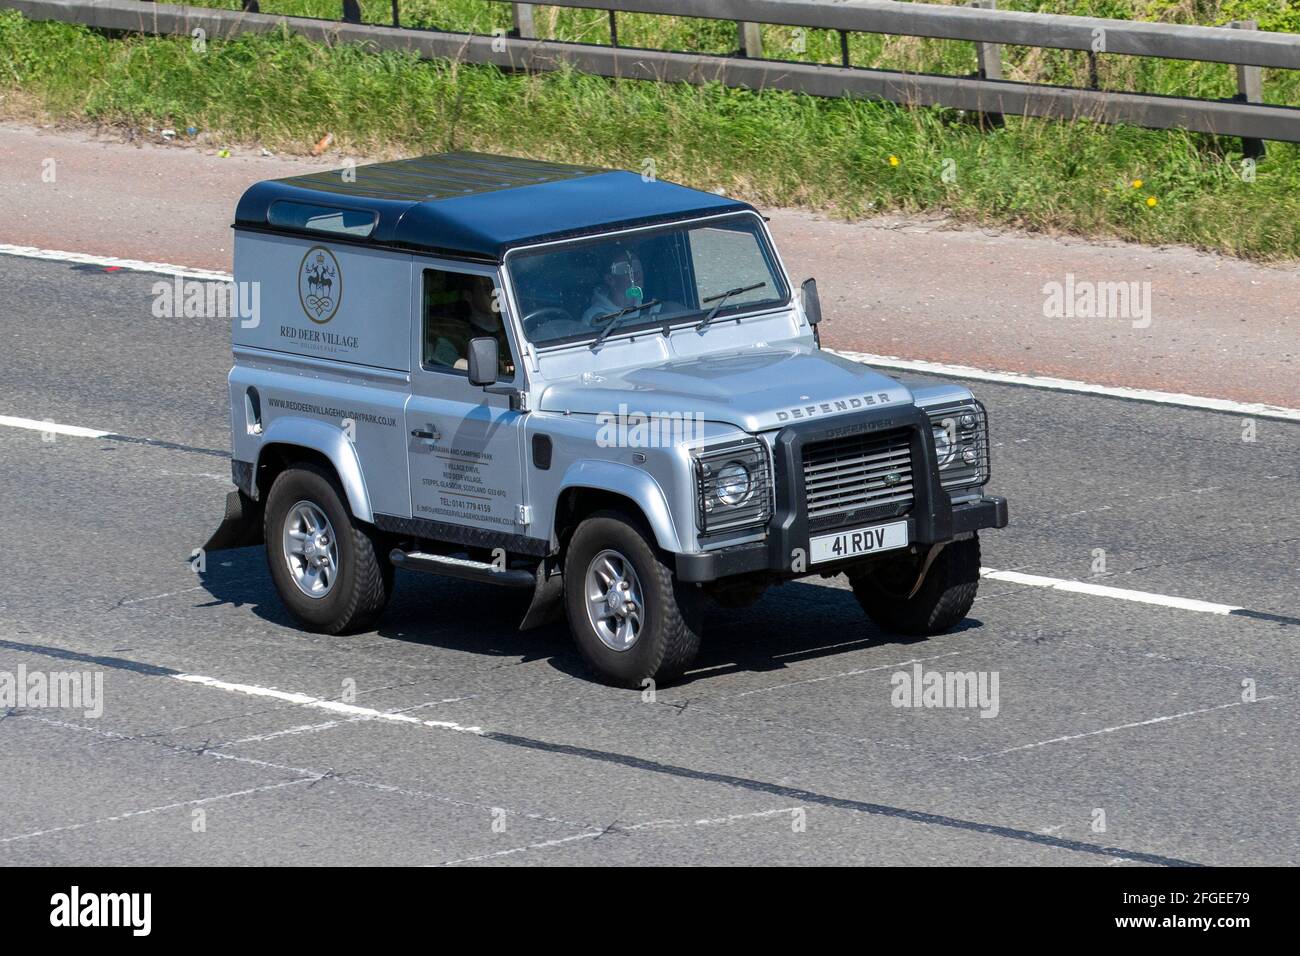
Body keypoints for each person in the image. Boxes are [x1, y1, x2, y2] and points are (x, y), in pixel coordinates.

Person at [424, 274, 514, 377]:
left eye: (498, 287)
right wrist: (497, 368)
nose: (495, 294)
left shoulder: (514, 328)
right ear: (468, 296)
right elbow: (445, 358)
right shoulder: (457, 334)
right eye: (486, 289)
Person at [583, 250, 653, 326]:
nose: (636, 273)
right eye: (625, 269)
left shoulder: (652, 303)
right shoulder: (593, 316)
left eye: (637, 266)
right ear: (610, 279)